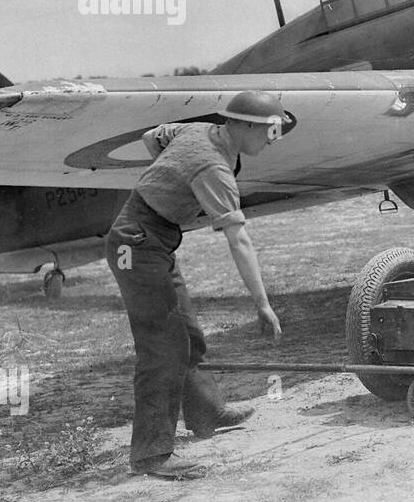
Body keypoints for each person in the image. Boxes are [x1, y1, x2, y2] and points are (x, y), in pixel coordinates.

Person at [106, 90, 288, 479]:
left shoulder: (202, 132)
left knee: (187, 333)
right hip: (138, 244)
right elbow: (239, 240)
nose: (273, 140)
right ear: (243, 125)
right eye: (269, 131)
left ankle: (207, 412)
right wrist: (262, 304)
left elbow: (151, 138)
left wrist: (171, 174)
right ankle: (152, 455)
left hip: (149, 239)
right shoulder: (214, 170)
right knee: (163, 348)